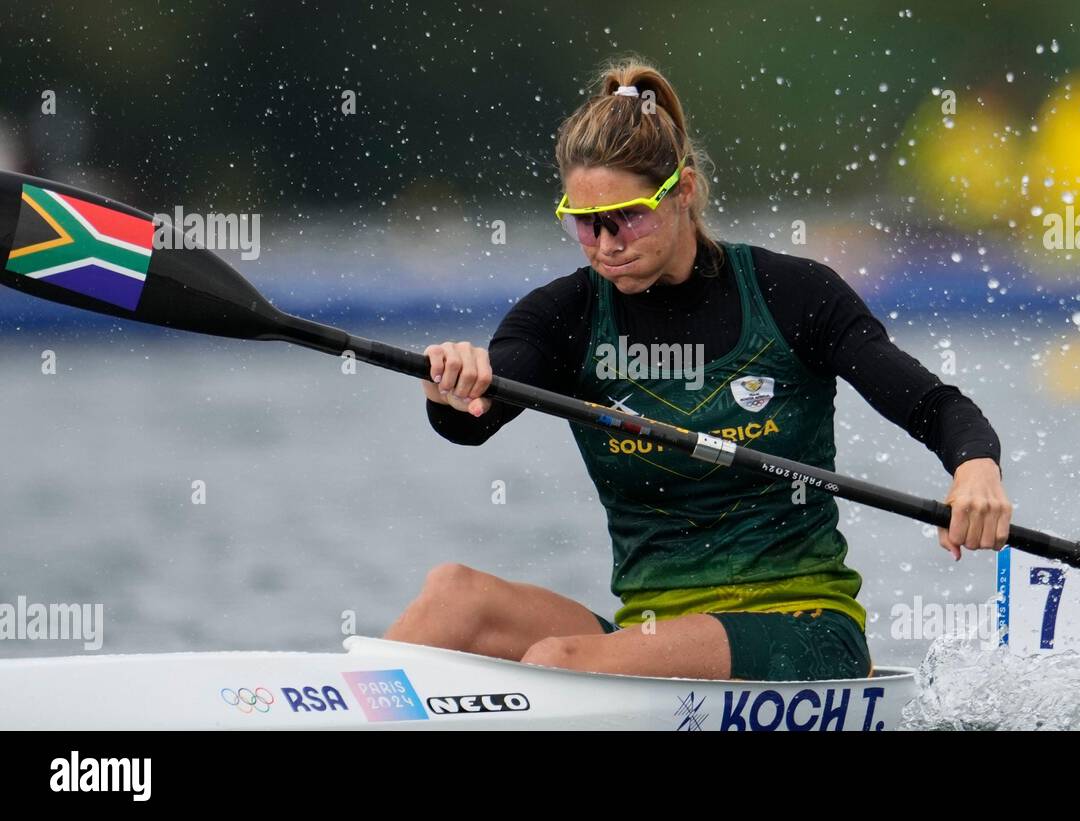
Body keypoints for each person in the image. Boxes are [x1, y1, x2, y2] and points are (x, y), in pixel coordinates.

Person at [384, 56, 1012, 681]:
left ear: (682, 190)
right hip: (649, 636)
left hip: (803, 629)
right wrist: (451, 382)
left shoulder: (794, 295)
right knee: (452, 596)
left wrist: (976, 470)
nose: (606, 244)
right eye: (584, 223)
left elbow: (935, 405)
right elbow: (470, 421)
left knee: (555, 663)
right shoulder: (566, 315)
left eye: (626, 217)